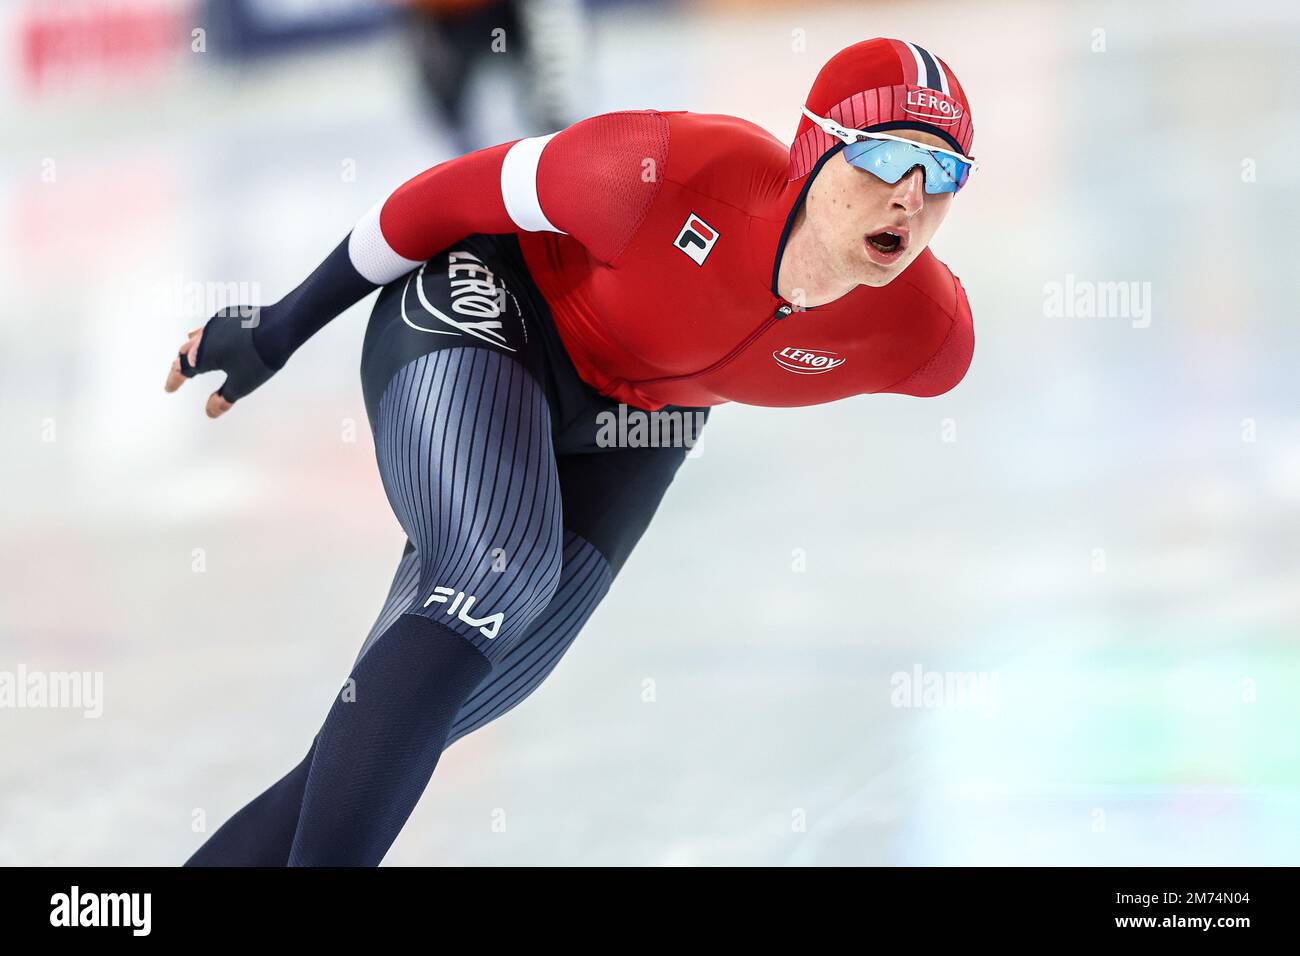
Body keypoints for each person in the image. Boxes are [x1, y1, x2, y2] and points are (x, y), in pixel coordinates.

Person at [169, 37, 978, 866]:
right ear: (814, 148)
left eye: (944, 172)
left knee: (449, 694)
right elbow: (434, 202)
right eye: (885, 156)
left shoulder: (927, 336)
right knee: (492, 576)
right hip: (490, 311)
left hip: (642, 424)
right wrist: (280, 328)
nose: (910, 198)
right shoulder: (664, 167)